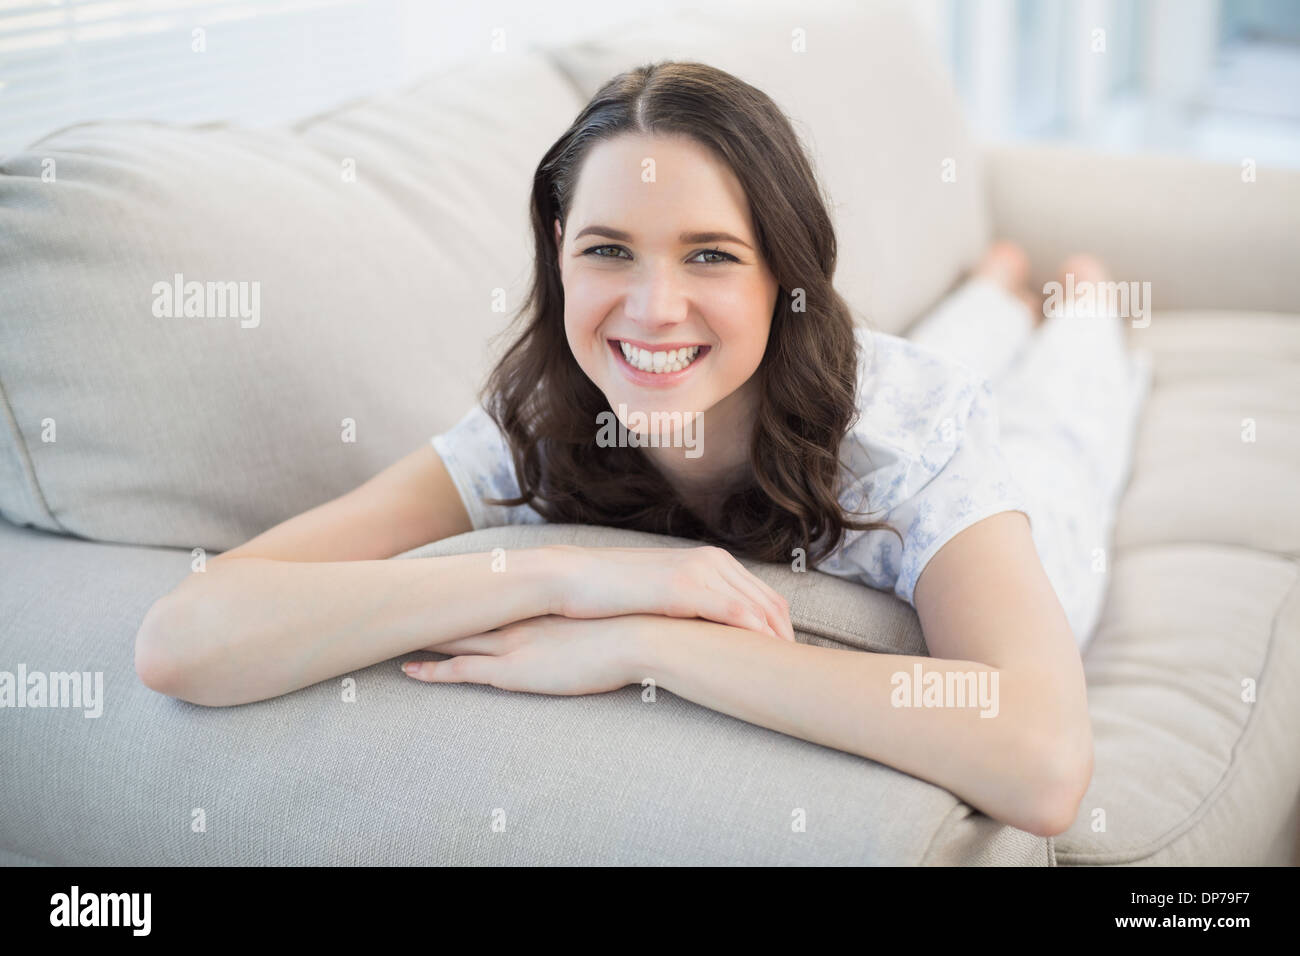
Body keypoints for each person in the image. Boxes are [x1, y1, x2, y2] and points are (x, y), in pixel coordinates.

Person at [136, 61, 1149, 837]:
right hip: (847, 379)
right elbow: (184, 637)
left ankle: (1079, 299)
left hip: (996, 492)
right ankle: (999, 283)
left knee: (1060, 418)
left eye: (709, 254)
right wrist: (570, 578)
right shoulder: (530, 428)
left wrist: (647, 640)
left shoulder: (911, 430)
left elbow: (1043, 759)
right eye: (608, 249)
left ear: (780, 275)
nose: (651, 308)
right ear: (560, 259)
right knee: (950, 348)